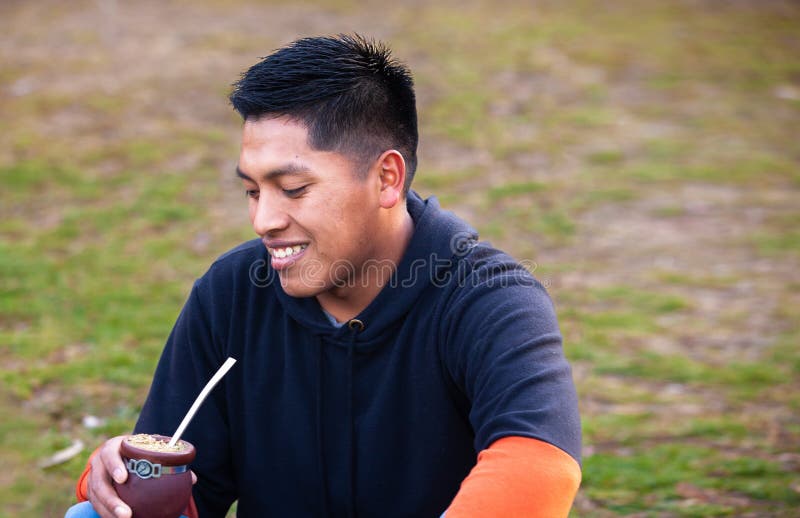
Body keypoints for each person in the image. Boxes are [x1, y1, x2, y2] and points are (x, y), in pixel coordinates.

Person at [65, 34, 581, 518]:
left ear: (386, 178)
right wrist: (117, 479)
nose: (263, 219)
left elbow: (538, 464)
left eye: (292, 188)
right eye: (252, 190)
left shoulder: (489, 297)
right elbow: (183, 482)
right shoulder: (231, 293)